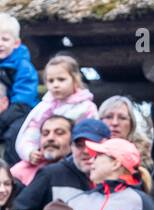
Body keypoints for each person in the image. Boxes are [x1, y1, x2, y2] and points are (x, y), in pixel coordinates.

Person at [14, 55, 98, 184]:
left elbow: (91, 137)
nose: (55, 85)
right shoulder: (42, 108)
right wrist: (30, 152)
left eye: (61, 79)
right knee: (16, 174)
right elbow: (30, 132)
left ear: (75, 80)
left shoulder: (86, 108)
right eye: (51, 81)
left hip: (73, 162)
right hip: (43, 158)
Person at [13, 116, 105, 210]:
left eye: (93, 145)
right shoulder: (51, 174)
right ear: (72, 146)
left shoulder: (116, 180)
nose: (86, 151)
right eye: (80, 145)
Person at [97, 95, 154, 175]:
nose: (115, 123)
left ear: (132, 124)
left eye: (122, 118)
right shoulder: (86, 155)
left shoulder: (147, 160)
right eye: (109, 117)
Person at [11, 113, 72, 187]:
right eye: (45, 133)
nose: (50, 138)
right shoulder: (19, 172)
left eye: (59, 133)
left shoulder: (83, 170)